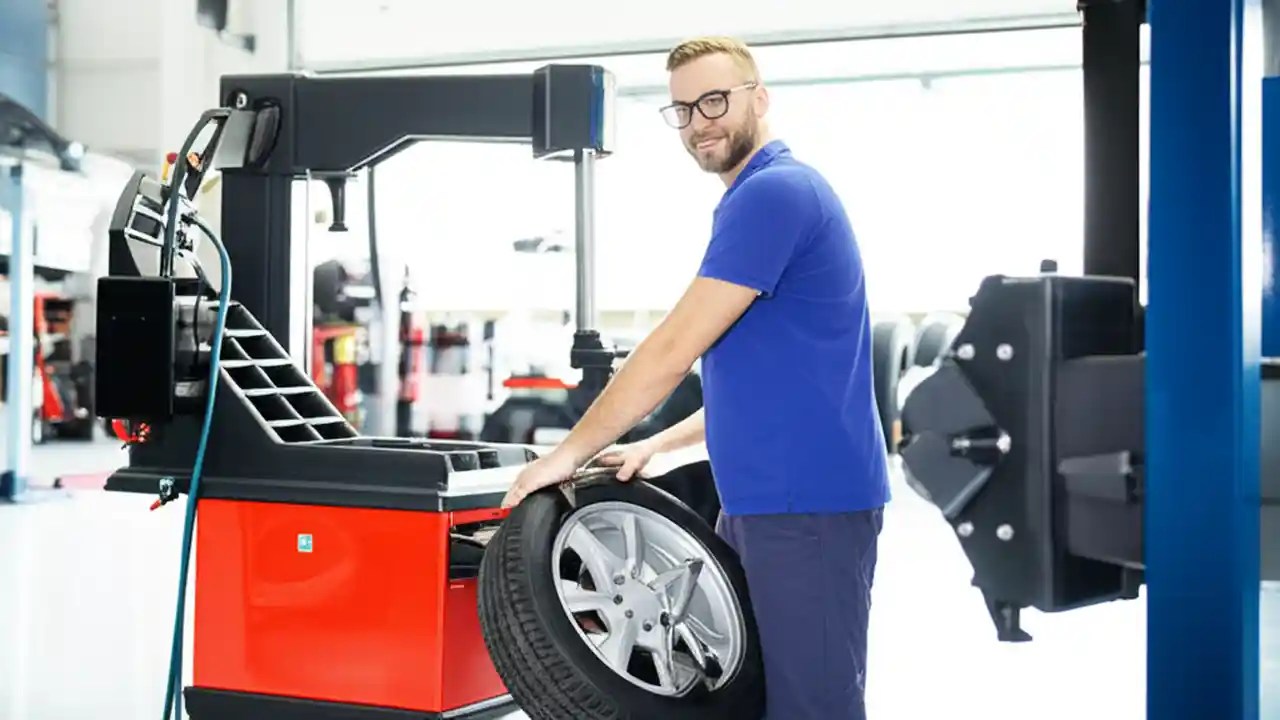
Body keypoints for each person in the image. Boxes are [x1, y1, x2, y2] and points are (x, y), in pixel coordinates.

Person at [501, 36, 890, 720]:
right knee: (755, 698)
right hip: (765, 502)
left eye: (715, 100)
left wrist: (566, 456)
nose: (699, 121)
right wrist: (659, 446)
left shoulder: (775, 193)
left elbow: (672, 350)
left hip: (806, 508)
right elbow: (768, 382)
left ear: (758, 98)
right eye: (682, 109)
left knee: (814, 708)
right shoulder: (761, 198)